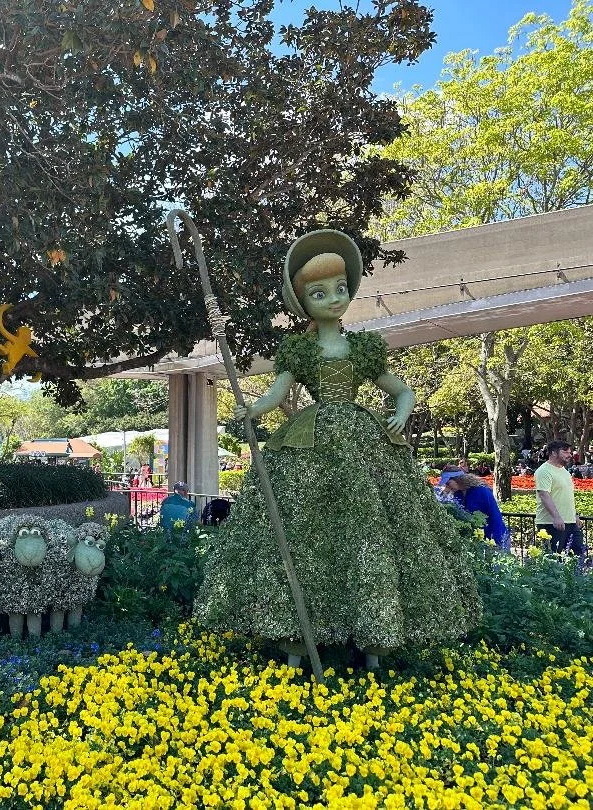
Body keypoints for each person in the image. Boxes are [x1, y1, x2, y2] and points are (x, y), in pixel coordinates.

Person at [194, 229, 481, 669]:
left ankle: (374, 642)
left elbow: (401, 390)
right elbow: (276, 393)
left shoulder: (362, 347)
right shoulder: (301, 349)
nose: (334, 299)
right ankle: (297, 636)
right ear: (304, 301)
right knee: (304, 533)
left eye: (340, 289)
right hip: (309, 437)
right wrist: (252, 409)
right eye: (320, 293)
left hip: (362, 437)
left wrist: (402, 412)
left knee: (367, 530)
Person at [535, 440, 586, 557]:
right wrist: (556, 517)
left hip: (570, 522)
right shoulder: (544, 471)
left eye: (570, 452)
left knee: (578, 555)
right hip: (551, 523)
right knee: (552, 560)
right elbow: (544, 495)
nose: (569, 455)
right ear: (553, 453)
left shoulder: (565, 471)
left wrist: (575, 515)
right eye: (565, 452)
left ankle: (577, 576)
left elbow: (566, 496)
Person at [441, 471, 511, 551]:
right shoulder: (458, 493)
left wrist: (496, 540)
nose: (447, 487)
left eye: (448, 483)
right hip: (478, 538)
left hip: (495, 535)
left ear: (458, 479)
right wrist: (445, 493)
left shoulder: (480, 491)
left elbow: (492, 516)